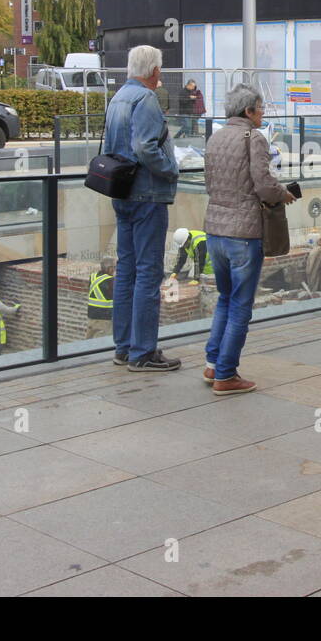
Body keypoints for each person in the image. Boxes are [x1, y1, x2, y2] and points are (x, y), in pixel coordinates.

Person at [200, 83, 297, 395]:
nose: (263, 113)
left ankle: (213, 364)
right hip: (243, 234)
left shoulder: (215, 138)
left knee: (224, 299)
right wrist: (284, 194)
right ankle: (226, 376)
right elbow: (264, 185)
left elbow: (209, 183)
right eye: (260, 108)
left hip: (214, 229)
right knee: (241, 305)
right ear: (248, 111)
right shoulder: (253, 138)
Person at [100, 44, 182, 372]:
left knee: (127, 270)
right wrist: (170, 168)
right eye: (159, 69)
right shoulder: (146, 99)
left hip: (121, 193)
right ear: (153, 71)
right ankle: (143, 352)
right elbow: (146, 147)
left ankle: (123, 348)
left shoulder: (118, 97)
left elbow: (110, 145)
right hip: (147, 195)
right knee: (149, 272)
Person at [85, 259, 114, 340]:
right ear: (109, 268)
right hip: (104, 317)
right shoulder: (111, 280)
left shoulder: (93, 276)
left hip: (91, 315)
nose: (114, 270)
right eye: (113, 267)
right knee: (103, 342)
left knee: (89, 340)